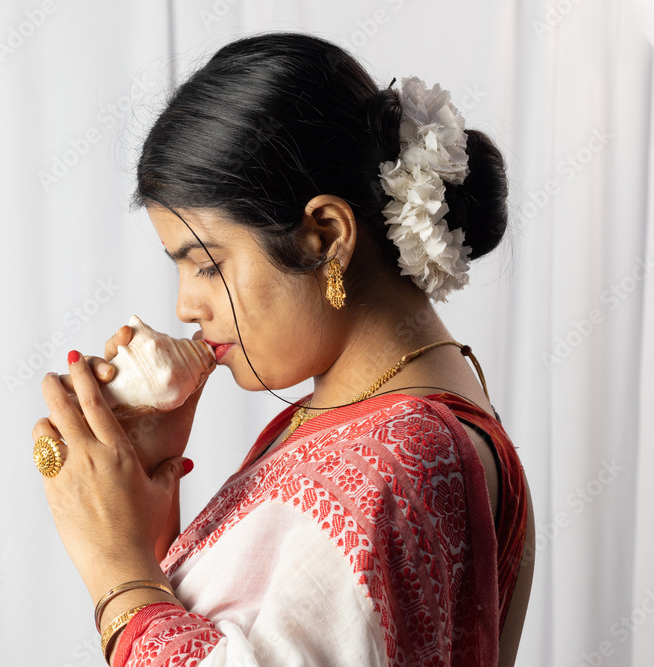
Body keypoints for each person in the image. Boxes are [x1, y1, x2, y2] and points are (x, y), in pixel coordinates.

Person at [31, 31, 534, 666]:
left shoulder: (399, 454)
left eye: (208, 265)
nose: (186, 305)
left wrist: (115, 567)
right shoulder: (355, 423)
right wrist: (149, 514)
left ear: (325, 235)